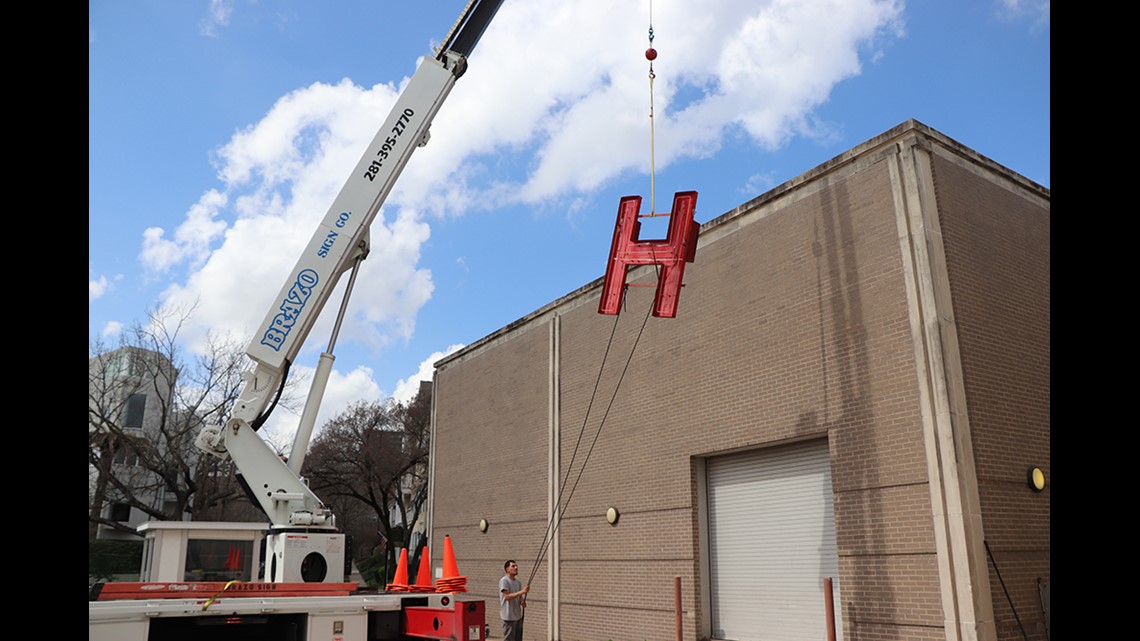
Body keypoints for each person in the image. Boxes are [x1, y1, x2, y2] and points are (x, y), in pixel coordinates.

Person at [499, 559, 529, 641]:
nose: (516, 568)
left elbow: (519, 596)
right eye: (513, 566)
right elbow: (507, 597)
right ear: (507, 569)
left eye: (516, 566)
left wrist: (522, 601)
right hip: (509, 617)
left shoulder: (518, 582)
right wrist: (522, 591)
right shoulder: (504, 581)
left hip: (518, 616)